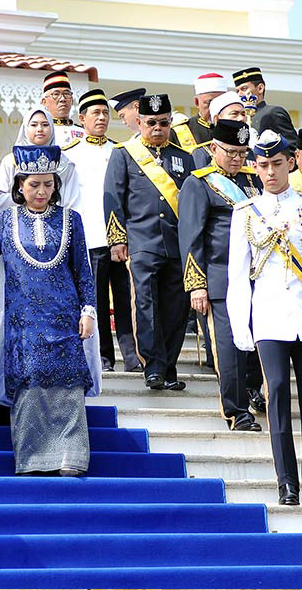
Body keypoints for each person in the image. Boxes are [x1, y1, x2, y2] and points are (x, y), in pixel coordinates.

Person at [0, 144, 96, 475]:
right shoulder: (7, 220)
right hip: (25, 322)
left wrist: (87, 311)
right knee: (31, 385)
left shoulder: (71, 220)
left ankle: (71, 458)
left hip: (64, 318)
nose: (41, 191)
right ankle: (33, 461)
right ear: (19, 185)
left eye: (48, 184)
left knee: (68, 385)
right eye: (34, 185)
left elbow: (83, 272)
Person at [227, 130, 302, 506]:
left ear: (290, 163)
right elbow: (237, 274)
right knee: (276, 393)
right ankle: (286, 483)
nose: (271, 172)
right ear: (256, 168)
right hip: (269, 317)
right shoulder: (245, 212)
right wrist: (240, 326)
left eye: (277, 164)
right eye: (263, 166)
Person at [104, 94, 195, 391]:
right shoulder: (124, 153)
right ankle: (152, 367)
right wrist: (118, 239)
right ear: (140, 122)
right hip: (142, 242)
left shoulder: (184, 158)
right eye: (151, 122)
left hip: (177, 244)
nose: (158, 128)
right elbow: (113, 198)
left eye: (164, 122)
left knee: (177, 309)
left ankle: (169, 367)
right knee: (146, 305)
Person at [179, 119, 262, 432]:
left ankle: (258, 395)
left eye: (242, 153)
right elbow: (191, 236)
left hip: (257, 278)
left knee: (257, 346)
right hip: (219, 278)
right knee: (228, 349)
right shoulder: (199, 183)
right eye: (230, 152)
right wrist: (196, 284)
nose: (236, 158)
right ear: (213, 149)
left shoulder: (253, 183)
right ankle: (237, 411)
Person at [63, 89, 138, 373]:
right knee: (95, 298)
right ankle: (103, 355)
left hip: (120, 238)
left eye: (106, 113)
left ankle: (131, 354)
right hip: (90, 236)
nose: (102, 118)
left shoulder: (120, 151)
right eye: (95, 113)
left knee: (124, 298)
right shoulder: (71, 155)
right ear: (82, 119)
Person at [0, 108, 80, 215]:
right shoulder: (11, 161)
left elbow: (73, 203)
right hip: (18, 225)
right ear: (25, 128)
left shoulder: (65, 163)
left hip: (56, 226)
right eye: (34, 125)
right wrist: (25, 195)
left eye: (45, 124)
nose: (40, 129)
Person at [232, 67, 297, 150]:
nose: (240, 94)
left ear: (260, 88)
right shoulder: (240, 119)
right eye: (237, 91)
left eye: (244, 89)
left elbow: (291, 147)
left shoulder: (273, 113)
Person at [192, 91, 254, 169]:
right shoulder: (202, 153)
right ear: (217, 119)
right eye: (234, 114)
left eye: (243, 114)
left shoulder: (250, 152)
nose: (241, 118)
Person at [170, 73, 226, 153]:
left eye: (220, 103)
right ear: (196, 102)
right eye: (210, 103)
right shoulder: (178, 131)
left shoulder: (235, 129)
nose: (215, 109)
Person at [40, 72, 84, 146]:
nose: (62, 99)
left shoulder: (83, 132)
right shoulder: (41, 132)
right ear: (44, 102)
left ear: (72, 100)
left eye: (66, 94)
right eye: (56, 94)